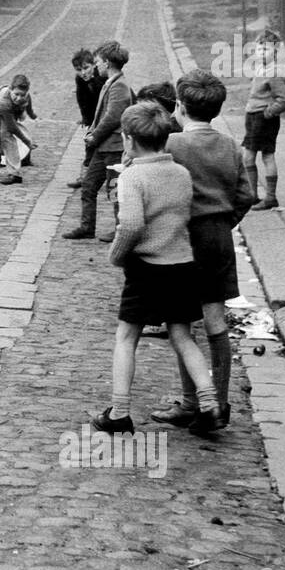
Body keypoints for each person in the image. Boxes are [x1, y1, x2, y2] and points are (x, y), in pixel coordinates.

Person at [97, 101, 220, 434]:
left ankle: (119, 412)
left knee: (126, 336)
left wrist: (117, 255)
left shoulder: (133, 177)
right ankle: (209, 405)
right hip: (182, 264)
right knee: (182, 336)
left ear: (128, 139)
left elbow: (132, 224)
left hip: (146, 268)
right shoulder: (181, 173)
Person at [150, 72, 256, 430]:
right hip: (219, 239)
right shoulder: (229, 145)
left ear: (179, 106)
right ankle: (220, 405)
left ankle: (192, 401)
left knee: (181, 321)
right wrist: (225, 222)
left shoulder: (173, 144)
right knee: (215, 322)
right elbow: (246, 195)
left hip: (184, 238)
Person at [64, 40, 132, 240]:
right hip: (103, 147)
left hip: (113, 147)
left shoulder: (119, 85)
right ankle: (87, 227)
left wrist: (94, 136)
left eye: (99, 61)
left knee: (114, 190)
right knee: (89, 185)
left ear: (108, 63)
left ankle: (120, 230)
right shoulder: (111, 83)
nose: (97, 65)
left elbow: (112, 117)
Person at [243, 28, 285, 211]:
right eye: (259, 49)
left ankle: (269, 197)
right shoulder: (260, 70)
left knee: (263, 156)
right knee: (250, 157)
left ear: (276, 51)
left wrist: (268, 113)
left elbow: (283, 99)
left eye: (267, 49)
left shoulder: (273, 72)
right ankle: (253, 196)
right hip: (253, 117)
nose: (262, 52)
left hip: (263, 118)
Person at [0, 74, 36, 184]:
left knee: (6, 137)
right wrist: (27, 142)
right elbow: (12, 127)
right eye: (16, 94)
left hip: (12, 110)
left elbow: (27, 102)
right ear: (10, 89)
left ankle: (14, 174)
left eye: (22, 95)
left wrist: (31, 114)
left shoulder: (24, 96)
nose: (19, 98)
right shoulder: (4, 100)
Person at [68, 47, 104, 188]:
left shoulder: (101, 77)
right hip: (93, 118)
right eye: (78, 69)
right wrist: (86, 118)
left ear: (94, 64)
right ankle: (85, 178)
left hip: (104, 117)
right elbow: (81, 99)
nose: (83, 73)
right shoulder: (80, 80)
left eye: (86, 68)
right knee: (90, 145)